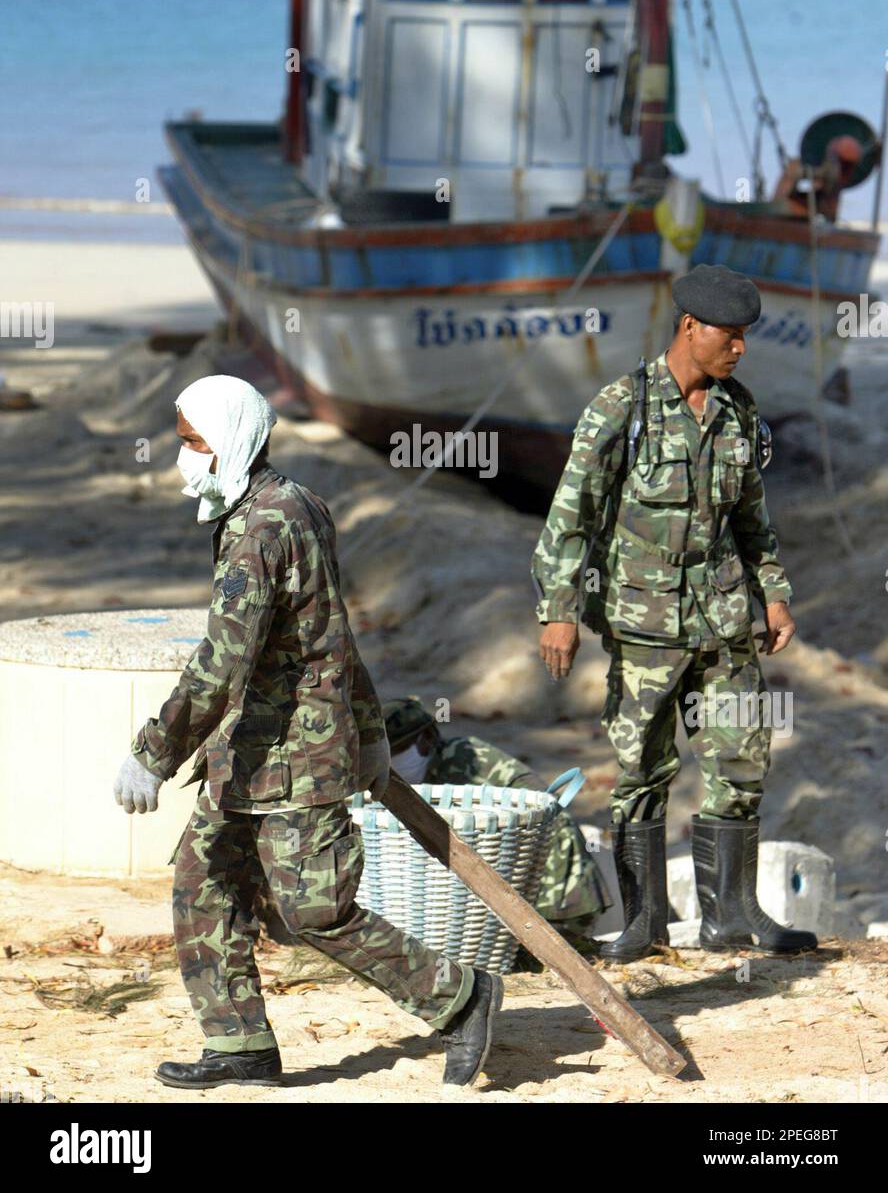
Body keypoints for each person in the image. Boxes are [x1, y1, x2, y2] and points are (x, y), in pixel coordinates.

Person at [112, 374, 501, 1089]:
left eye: (192, 443)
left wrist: (153, 751)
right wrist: (371, 722)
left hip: (294, 753)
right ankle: (242, 1046)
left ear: (231, 441)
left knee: (316, 910)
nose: (181, 459)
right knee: (204, 884)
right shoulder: (292, 501)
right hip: (249, 751)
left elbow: (221, 663)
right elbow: (332, 629)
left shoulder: (260, 532)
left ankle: (460, 995)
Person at [531, 265, 817, 962]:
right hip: (644, 627)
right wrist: (559, 610)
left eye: (746, 337)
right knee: (641, 771)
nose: (740, 349)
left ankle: (734, 917)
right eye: (730, 335)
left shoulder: (737, 411)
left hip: (724, 624)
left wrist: (773, 593)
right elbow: (570, 517)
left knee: (741, 761)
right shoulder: (620, 407)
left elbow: (751, 515)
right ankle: (645, 925)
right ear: (690, 327)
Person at [382, 697, 612, 943]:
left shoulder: (461, 760)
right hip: (533, 889)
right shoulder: (432, 774)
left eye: (397, 751)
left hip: (555, 890)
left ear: (427, 738)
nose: (391, 762)